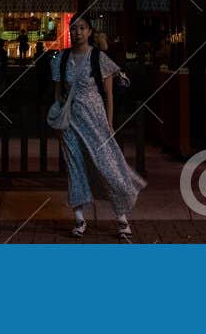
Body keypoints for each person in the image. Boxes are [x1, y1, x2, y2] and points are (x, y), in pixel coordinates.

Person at [51, 16, 145, 239]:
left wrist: (110, 123)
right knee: (75, 167)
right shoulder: (61, 58)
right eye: (73, 29)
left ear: (90, 31)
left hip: (96, 120)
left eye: (82, 28)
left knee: (108, 166)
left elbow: (109, 95)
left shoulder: (98, 58)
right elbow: (58, 92)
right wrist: (58, 118)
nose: (77, 33)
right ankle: (80, 218)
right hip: (70, 122)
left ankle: (122, 216)